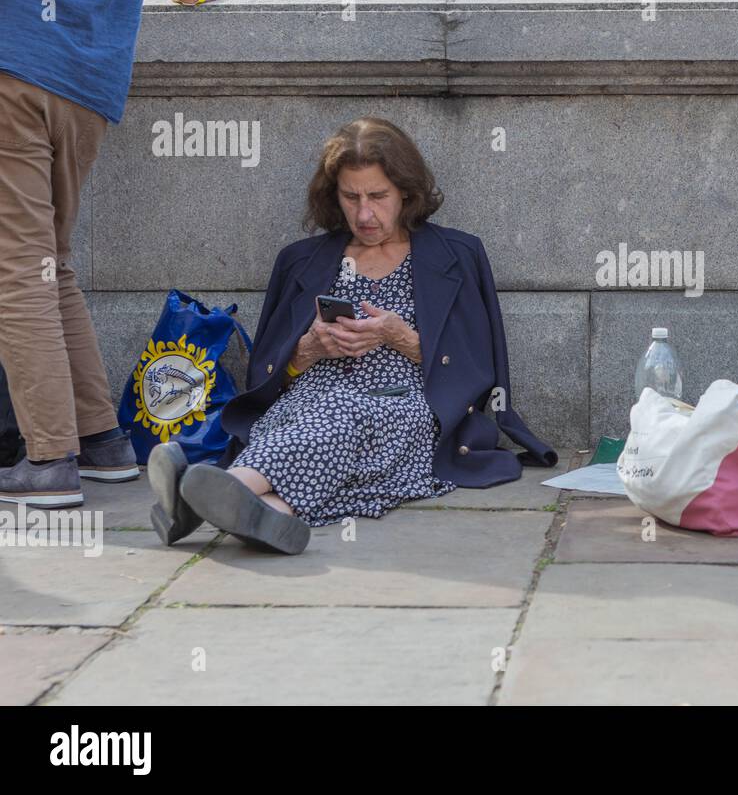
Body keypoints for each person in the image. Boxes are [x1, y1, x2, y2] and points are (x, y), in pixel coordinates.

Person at [147, 117, 557, 554]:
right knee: (312, 415)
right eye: (351, 197)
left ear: (406, 193)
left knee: (342, 410)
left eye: (378, 196)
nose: (365, 214)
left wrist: (403, 337)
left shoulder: (457, 254)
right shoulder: (300, 260)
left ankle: (209, 492)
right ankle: (270, 515)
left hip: (407, 406)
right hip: (306, 402)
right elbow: (266, 371)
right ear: (333, 196)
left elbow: (480, 361)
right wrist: (306, 350)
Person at [0, 0, 243, 509]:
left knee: (17, 267)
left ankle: (49, 461)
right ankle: (103, 443)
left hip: (13, 54)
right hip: (89, 80)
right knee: (52, 261)